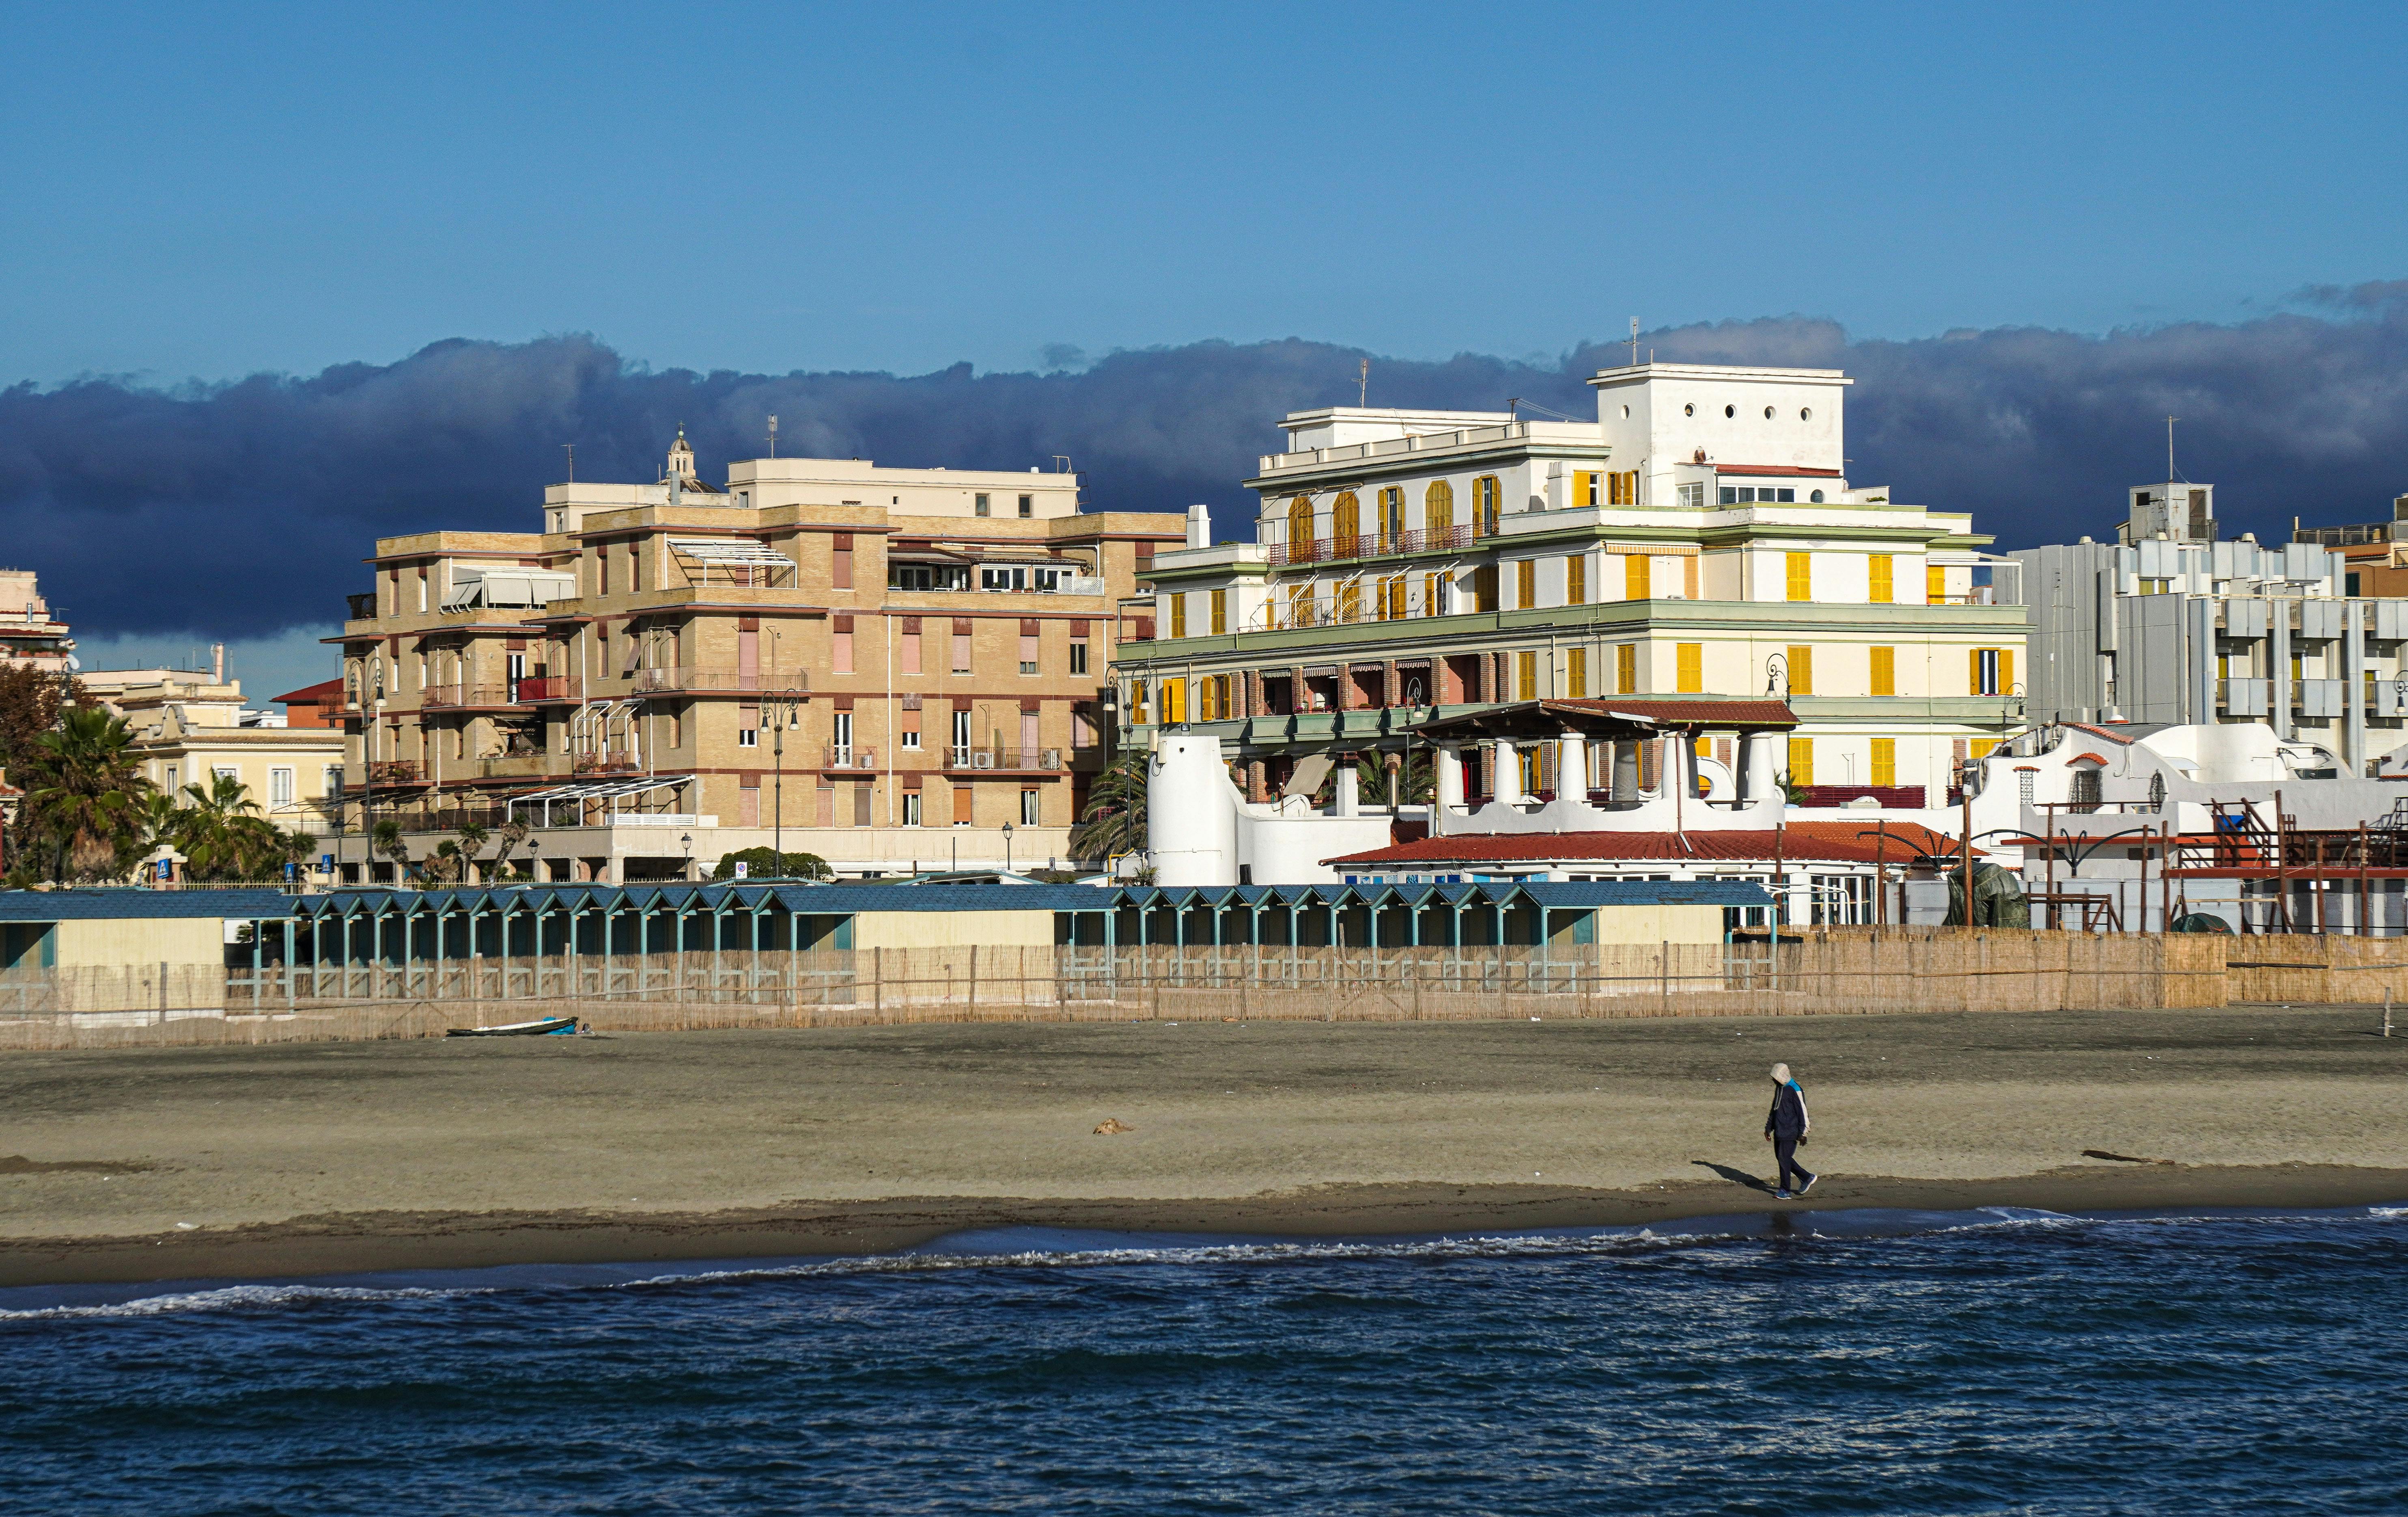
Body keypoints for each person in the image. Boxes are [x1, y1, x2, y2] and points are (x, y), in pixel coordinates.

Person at [1763, 1063, 1816, 1199]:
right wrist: (1769, 1128)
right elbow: (1774, 1108)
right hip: (1779, 1131)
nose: (1773, 1080)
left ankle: (1785, 1190)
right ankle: (1807, 1177)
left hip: (1792, 1131)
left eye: (1775, 1078)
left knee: (1783, 1158)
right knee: (1783, 1159)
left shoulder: (1795, 1089)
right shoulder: (1779, 1088)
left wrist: (1803, 1133)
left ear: (1782, 1077)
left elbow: (1803, 1112)